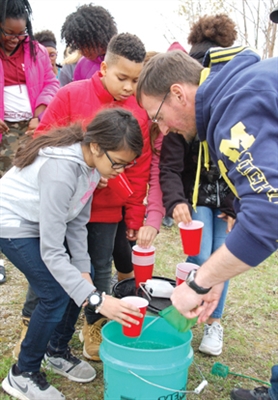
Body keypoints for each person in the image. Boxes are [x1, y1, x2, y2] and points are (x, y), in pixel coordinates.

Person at [136, 44, 278, 400]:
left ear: (178, 94)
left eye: (158, 117)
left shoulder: (235, 110)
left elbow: (269, 216)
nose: (164, 130)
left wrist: (199, 283)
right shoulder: (239, 88)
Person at [15, 32, 151, 362]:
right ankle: (31, 326)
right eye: (122, 78)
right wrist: (84, 175)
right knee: (51, 269)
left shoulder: (139, 114)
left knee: (98, 266)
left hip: (106, 211)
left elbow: (140, 167)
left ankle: (93, 324)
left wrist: (133, 215)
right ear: (103, 68)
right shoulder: (71, 94)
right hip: (63, 205)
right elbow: (45, 142)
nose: (129, 87)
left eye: (136, 80)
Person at [0, 107, 144, 400]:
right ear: (95, 146)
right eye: (117, 164)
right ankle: (22, 373)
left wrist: (83, 273)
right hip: (12, 222)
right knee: (54, 292)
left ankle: (56, 351)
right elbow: (52, 251)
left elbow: (76, 220)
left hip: (36, 220)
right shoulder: (61, 171)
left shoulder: (91, 167)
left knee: (80, 277)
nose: (120, 172)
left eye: (126, 166)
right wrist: (96, 299)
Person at [159, 14, 237, 356]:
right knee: (200, 256)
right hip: (197, 200)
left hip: (227, 201)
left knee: (224, 259)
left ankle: (213, 323)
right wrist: (176, 200)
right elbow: (169, 167)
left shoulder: (232, 107)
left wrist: (237, 207)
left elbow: (242, 166)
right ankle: (192, 313)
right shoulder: (182, 117)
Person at [0, 0, 59, 178]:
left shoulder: (37, 52)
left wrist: (38, 116)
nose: (15, 39)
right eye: (9, 33)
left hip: (30, 128)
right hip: (5, 130)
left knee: (28, 177)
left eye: (21, 34)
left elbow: (51, 84)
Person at [60, 4, 117, 81]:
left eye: (85, 45)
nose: (82, 51)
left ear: (99, 37)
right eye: (78, 46)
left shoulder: (122, 60)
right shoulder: (82, 64)